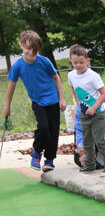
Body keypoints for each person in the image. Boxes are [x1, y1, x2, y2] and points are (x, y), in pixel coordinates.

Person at [3, 29, 67, 172]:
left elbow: (56, 77)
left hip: (53, 100)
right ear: (21, 45)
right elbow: (11, 86)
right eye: (28, 48)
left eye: (34, 49)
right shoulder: (18, 66)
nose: (31, 52)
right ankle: (36, 152)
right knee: (44, 128)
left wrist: (62, 99)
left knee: (53, 130)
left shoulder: (44, 61)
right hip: (38, 101)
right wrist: (7, 106)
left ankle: (49, 160)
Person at [67, 43, 105, 176]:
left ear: (87, 60)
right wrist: (78, 104)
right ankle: (89, 166)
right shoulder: (71, 75)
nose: (78, 65)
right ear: (71, 61)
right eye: (75, 62)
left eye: (81, 62)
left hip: (98, 114)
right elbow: (73, 88)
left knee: (100, 140)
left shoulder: (93, 76)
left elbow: (104, 94)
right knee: (87, 141)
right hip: (84, 114)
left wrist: (94, 107)